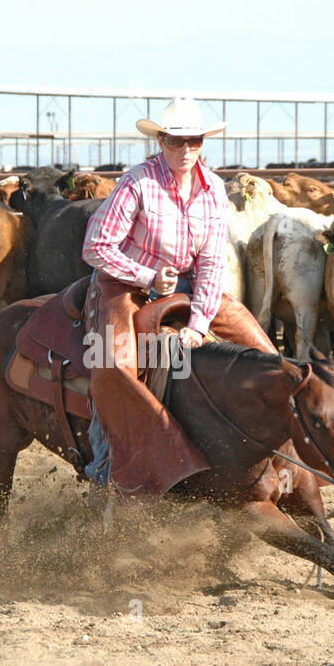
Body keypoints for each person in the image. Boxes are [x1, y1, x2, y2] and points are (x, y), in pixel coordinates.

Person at [81, 96, 275, 496]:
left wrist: (199, 323)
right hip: (125, 286)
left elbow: (211, 264)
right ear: (161, 141)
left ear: (203, 143)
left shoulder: (215, 190)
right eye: (176, 141)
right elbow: (96, 246)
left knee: (264, 353)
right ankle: (105, 469)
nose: (186, 150)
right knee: (114, 363)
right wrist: (147, 273)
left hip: (187, 285)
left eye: (195, 141)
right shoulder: (137, 182)